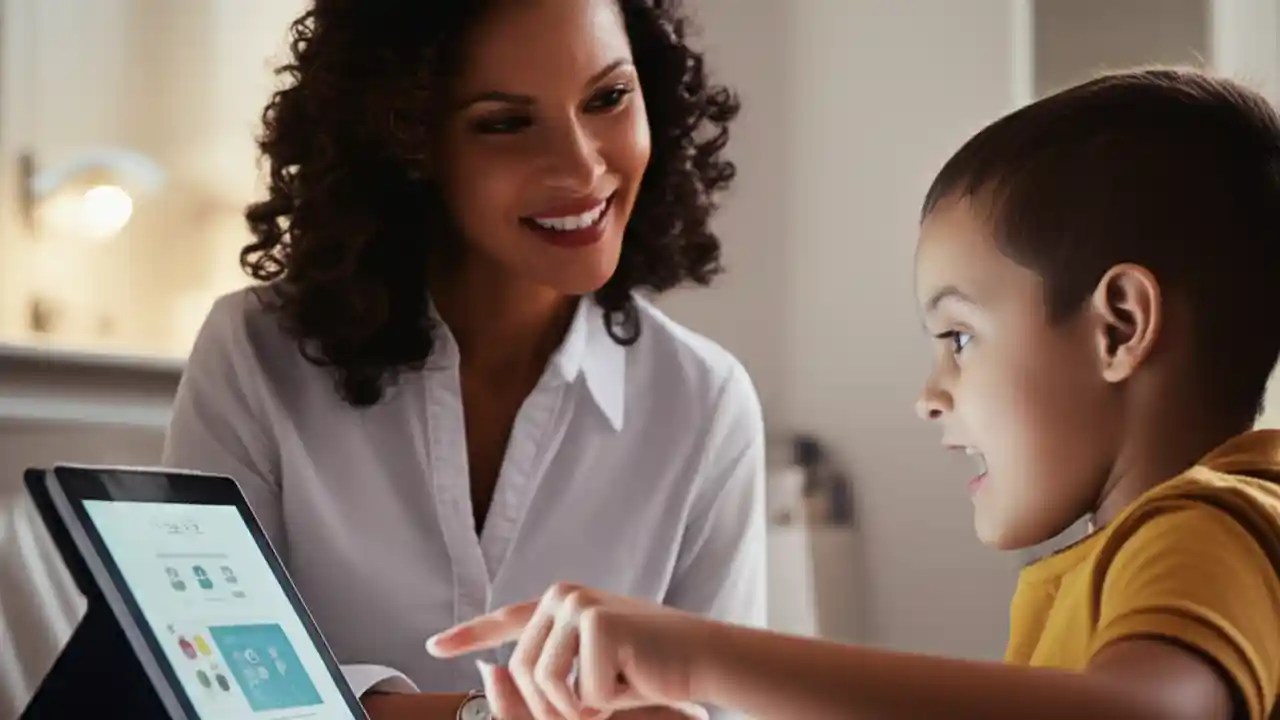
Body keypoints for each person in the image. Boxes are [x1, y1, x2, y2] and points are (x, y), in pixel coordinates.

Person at [428, 68, 1280, 720]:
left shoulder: (1205, 526)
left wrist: (699, 657)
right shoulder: (1135, 559)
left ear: (1119, 326)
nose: (931, 394)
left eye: (959, 339)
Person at [161, 1, 767, 718]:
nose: (582, 165)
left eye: (608, 99)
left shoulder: (704, 400)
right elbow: (204, 686)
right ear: (406, 143)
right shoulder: (254, 355)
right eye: (505, 123)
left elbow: (727, 707)